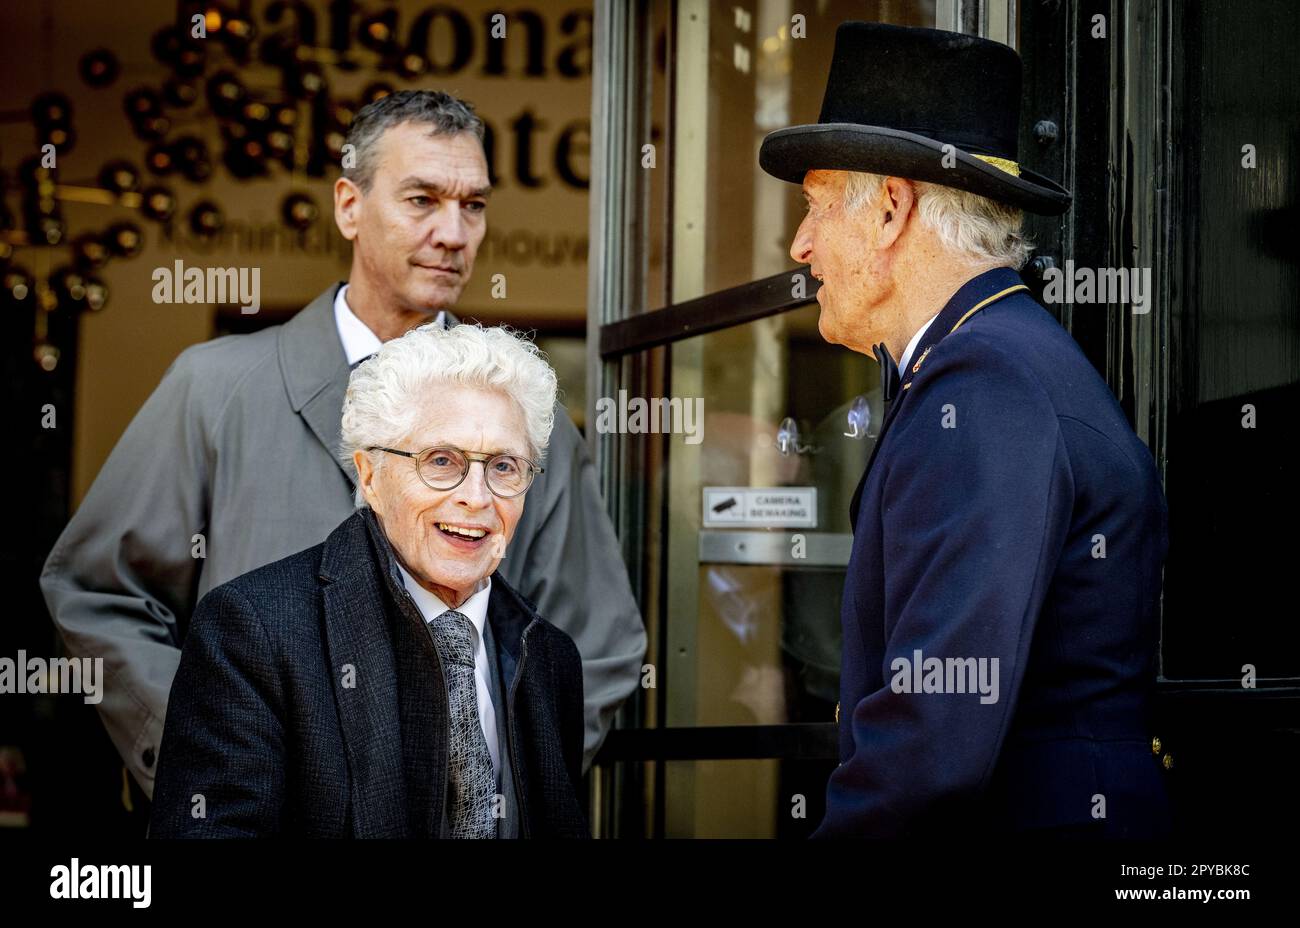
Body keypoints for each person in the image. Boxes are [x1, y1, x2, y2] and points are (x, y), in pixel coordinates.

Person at [40, 90, 644, 807]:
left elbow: (599, 646)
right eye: (422, 198)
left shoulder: (523, 418)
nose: (454, 232)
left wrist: (485, 799)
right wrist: (212, 763)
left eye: (473, 205)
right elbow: (97, 594)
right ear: (349, 206)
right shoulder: (213, 388)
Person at [759, 22, 1171, 837]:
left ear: (888, 210)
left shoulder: (984, 380)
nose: (801, 244)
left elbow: (931, 738)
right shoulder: (1001, 358)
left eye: (813, 206)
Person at [150, 323, 587, 837]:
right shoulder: (253, 632)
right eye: (441, 461)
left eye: (504, 467)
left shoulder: (551, 659)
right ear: (372, 477)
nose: (477, 496)